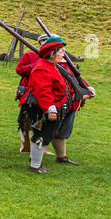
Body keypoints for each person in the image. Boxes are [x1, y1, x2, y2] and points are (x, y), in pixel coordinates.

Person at [17, 35, 69, 174]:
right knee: (41, 135)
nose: (63, 53)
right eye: (60, 50)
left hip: (48, 106)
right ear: (52, 53)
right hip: (41, 108)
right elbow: (43, 92)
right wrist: (50, 108)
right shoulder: (42, 68)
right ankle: (35, 166)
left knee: (45, 135)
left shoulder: (50, 66)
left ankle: (36, 164)